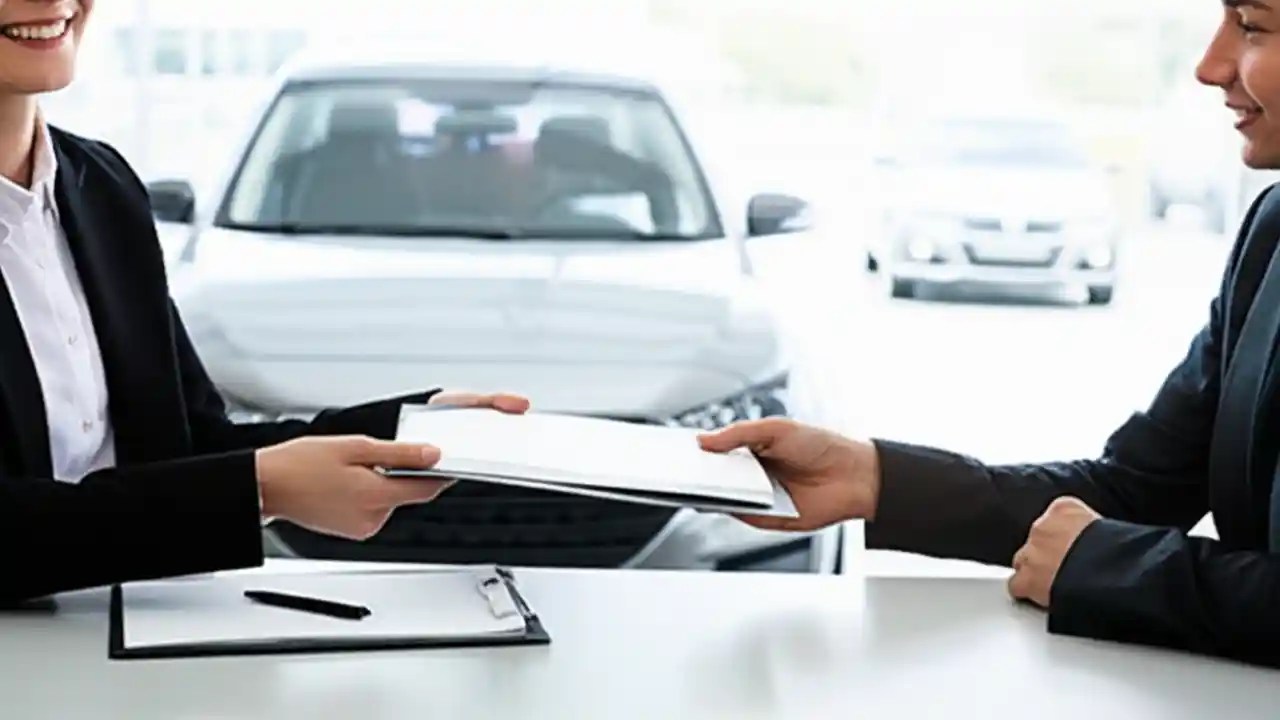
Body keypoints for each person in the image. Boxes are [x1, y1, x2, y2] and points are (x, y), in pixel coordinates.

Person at [702, 1, 1280, 668]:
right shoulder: (1270, 234)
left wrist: (1112, 566)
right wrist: (870, 478)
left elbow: (1098, 540)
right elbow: (1132, 492)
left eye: (1252, 26)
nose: (1209, 67)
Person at [0, 0, 530, 602]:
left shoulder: (101, 184)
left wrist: (402, 427)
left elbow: (186, 445)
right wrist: (259, 490)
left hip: (127, 646)